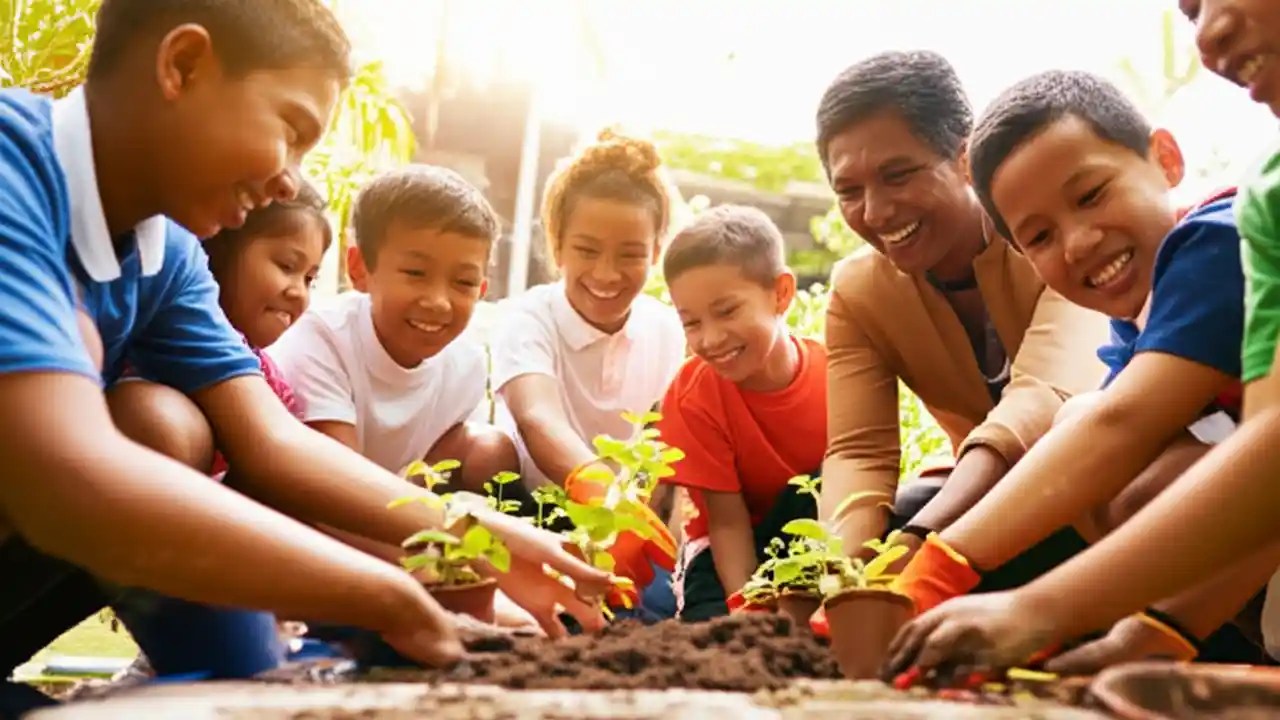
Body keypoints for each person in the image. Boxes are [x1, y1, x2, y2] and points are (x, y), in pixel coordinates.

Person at [0, 0, 609, 709]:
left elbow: (275, 442)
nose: (291, 180)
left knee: (251, 675)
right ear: (183, 66)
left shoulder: (164, 257)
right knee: (153, 419)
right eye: (290, 131)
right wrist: (382, 592)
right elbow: (65, 482)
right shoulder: (15, 173)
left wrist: (476, 535)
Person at [884, 66, 1274, 682]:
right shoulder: (1138, 321)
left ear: (1166, 159)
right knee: (1076, 422)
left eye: (1091, 195)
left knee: (1090, 426)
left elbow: (1122, 426)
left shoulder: (1217, 242)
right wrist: (1150, 637)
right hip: (1247, 570)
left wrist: (940, 570)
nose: (1080, 241)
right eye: (1039, 236)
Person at [814, 51, 1109, 606]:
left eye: (897, 175)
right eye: (848, 191)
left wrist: (923, 542)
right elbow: (858, 452)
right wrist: (843, 578)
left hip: (1096, 490)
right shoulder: (859, 293)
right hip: (971, 503)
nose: (875, 212)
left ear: (965, 158)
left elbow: (1044, 397)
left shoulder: (1046, 240)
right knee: (880, 515)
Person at [490, 129, 685, 616]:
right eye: (587, 250)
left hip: (630, 528)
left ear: (656, 251)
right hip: (538, 514)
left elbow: (670, 451)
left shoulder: (666, 328)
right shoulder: (528, 317)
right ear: (557, 244)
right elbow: (537, 417)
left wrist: (647, 527)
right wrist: (600, 491)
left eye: (631, 254)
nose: (606, 273)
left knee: (657, 610)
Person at [269, 165, 519, 490]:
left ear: (481, 291)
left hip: (399, 497)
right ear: (359, 269)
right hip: (321, 499)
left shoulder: (466, 364)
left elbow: (440, 472)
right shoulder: (321, 338)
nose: (438, 301)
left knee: (490, 448)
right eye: (416, 273)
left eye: (463, 282)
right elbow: (336, 486)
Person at [655, 204, 826, 621]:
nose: (710, 339)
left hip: (814, 531)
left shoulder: (837, 375)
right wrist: (746, 610)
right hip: (720, 546)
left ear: (781, 294)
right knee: (713, 627)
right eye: (691, 322)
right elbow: (726, 522)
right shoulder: (693, 393)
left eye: (727, 311)